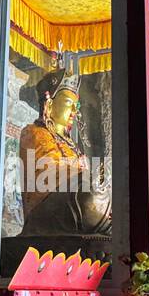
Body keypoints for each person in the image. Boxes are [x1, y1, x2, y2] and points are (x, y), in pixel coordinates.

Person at [17, 69, 110, 235]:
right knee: (89, 194)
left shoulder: (71, 143)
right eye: (68, 103)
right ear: (50, 104)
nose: (75, 111)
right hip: (45, 209)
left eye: (77, 105)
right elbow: (48, 175)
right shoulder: (35, 132)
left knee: (104, 191)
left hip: (73, 201)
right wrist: (84, 175)